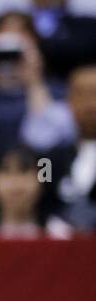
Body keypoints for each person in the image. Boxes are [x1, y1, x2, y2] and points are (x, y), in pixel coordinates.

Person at [0, 11, 70, 155]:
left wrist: (35, 82)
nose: (10, 41)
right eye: (2, 34)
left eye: (20, 34)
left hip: (38, 169)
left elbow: (44, 140)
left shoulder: (55, 91)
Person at [0, 144, 72, 238]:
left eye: (24, 170)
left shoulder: (61, 235)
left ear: (43, 180)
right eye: (5, 170)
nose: (15, 182)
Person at [52, 64, 96, 229]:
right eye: (82, 95)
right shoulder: (47, 159)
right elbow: (41, 194)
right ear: (68, 102)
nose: (91, 105)